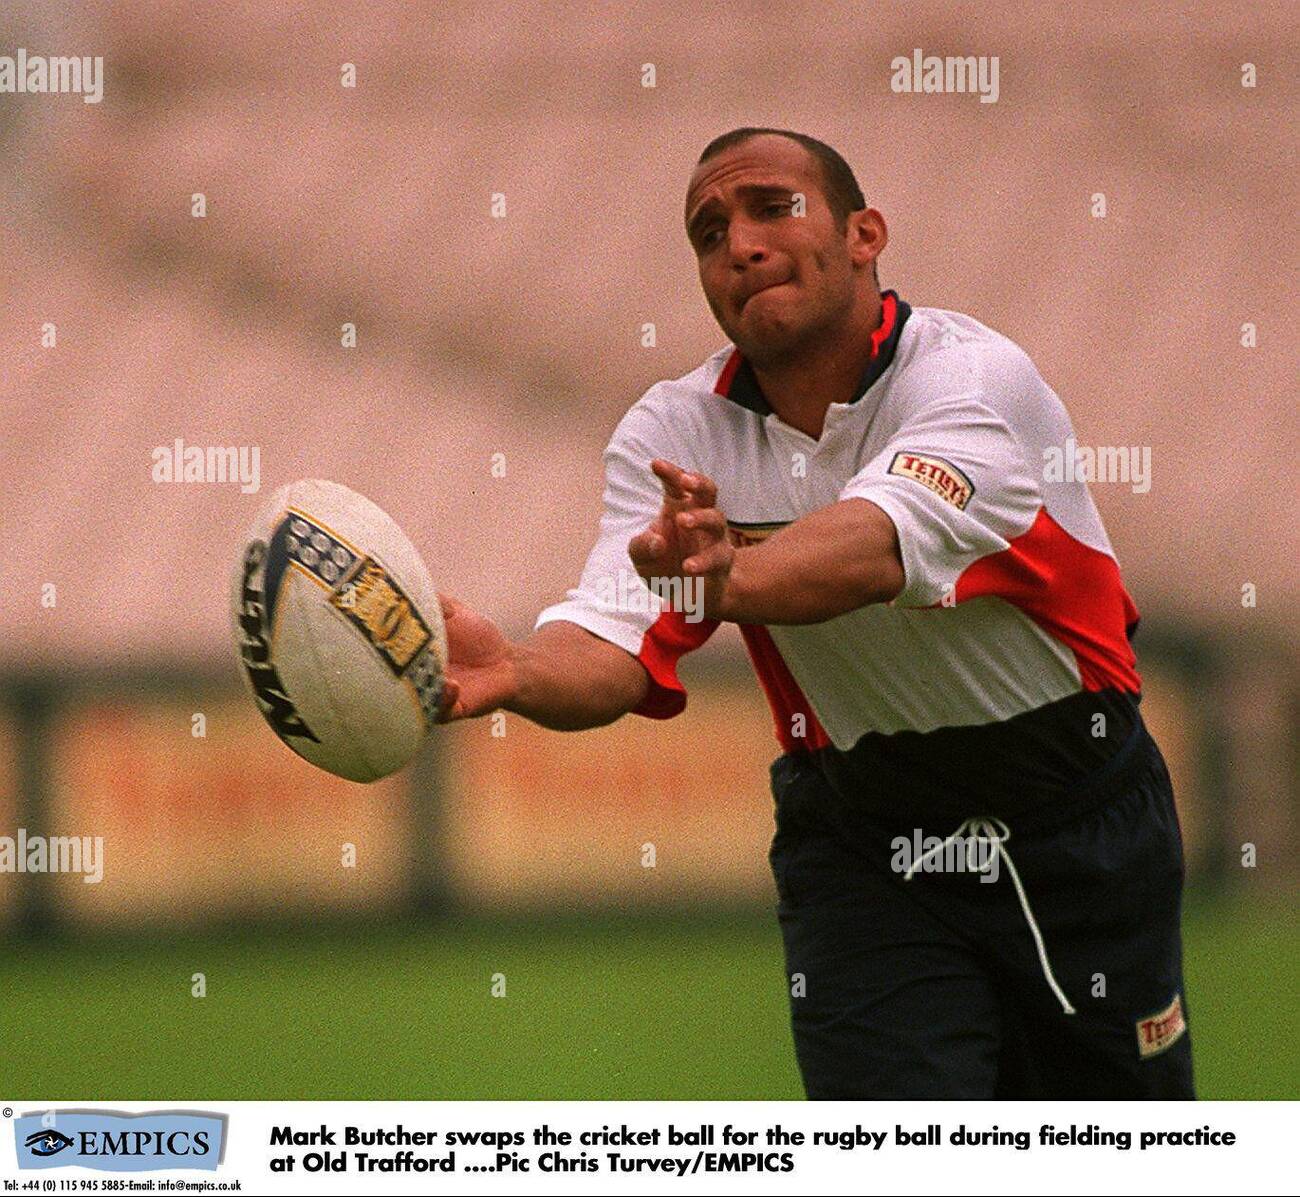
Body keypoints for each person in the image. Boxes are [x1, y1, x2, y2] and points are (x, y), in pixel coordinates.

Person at [435, 127, 1194, 1100]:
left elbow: (873, 548)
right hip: (866, 839)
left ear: (865, 232)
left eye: (771, 207)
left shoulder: (974, 382)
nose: (738, 243)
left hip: (1078, 818)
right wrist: (513, 671)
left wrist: (725, 582)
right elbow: (614, 641)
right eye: (708, 232)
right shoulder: (672, 431)